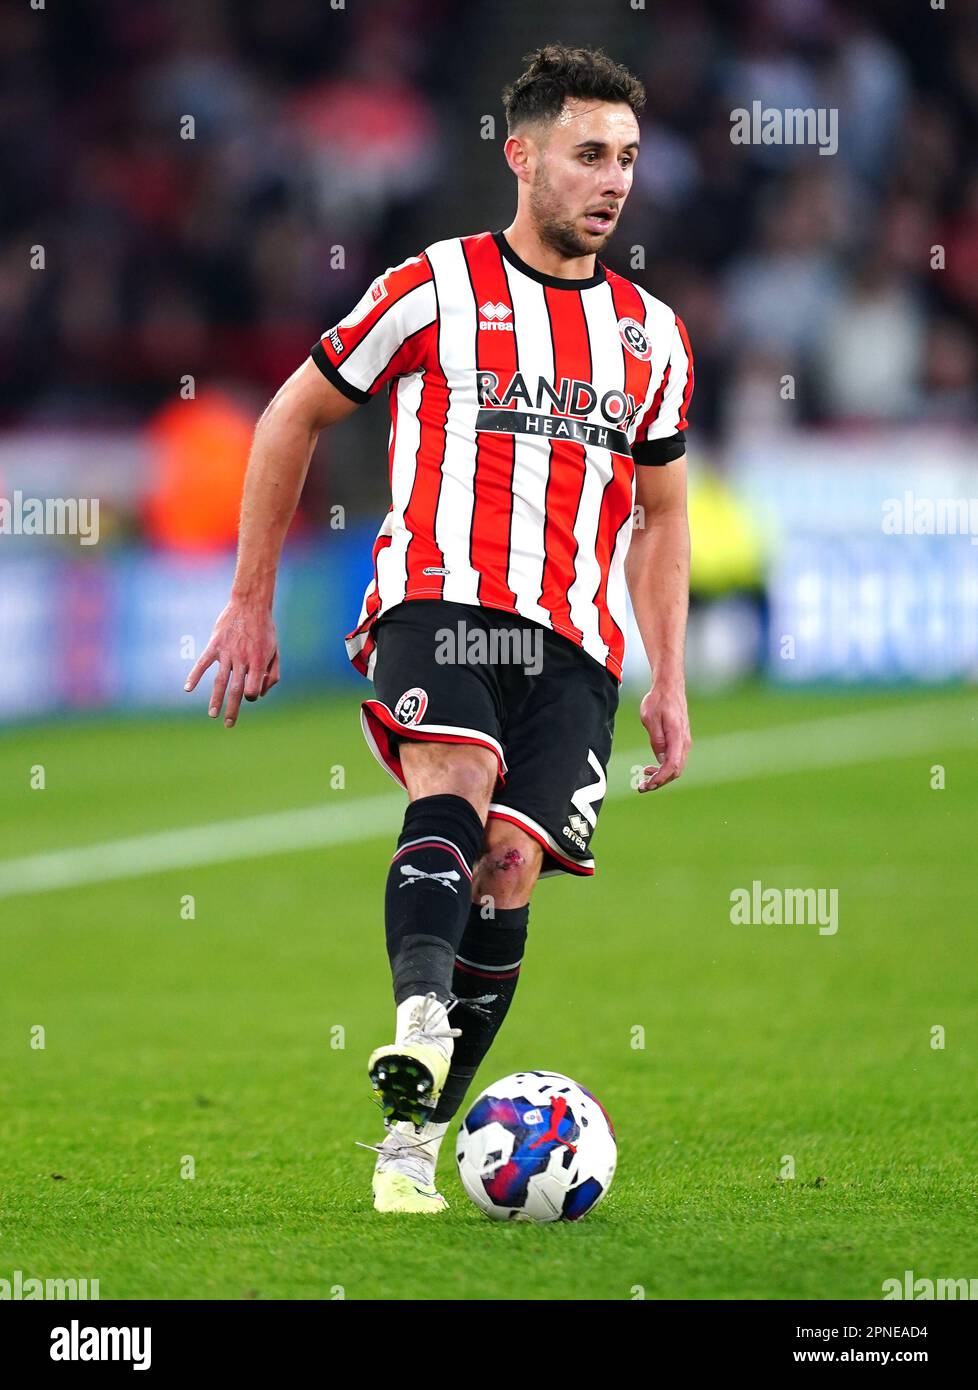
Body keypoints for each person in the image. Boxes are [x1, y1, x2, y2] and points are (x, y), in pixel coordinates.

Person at [185, 43, 694, 1214]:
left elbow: (662, 513)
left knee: (509, 870)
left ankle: (412, 1136)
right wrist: (252, 595)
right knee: (454, 783)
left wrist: (666, 674)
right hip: (442, 597)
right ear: (522, 158)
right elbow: (290, 414)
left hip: (573, 641)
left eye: (625, 156)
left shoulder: (652, 337)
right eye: (587, 155)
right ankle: (418, 1009)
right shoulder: (435, 288)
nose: (613, 181)